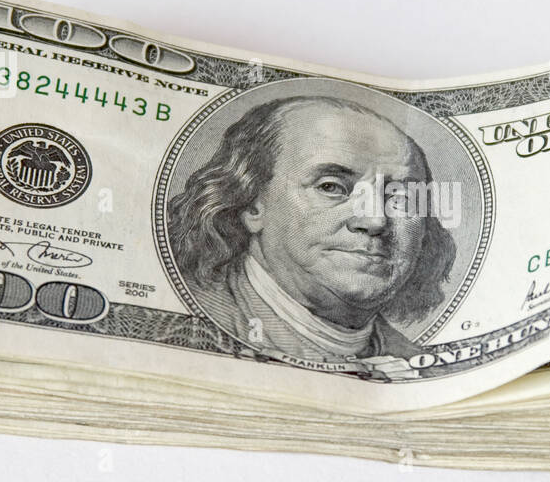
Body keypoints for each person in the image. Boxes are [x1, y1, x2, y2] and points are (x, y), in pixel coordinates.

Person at [168, 95, 456, 362]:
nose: (375, 221)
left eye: (400, 198)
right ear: (252, 203)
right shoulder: (182, 330)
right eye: (331, 187)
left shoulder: (420, 366)